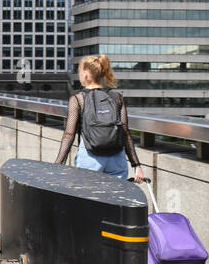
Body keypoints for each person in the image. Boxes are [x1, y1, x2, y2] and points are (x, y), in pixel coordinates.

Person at [54, 54, 146, 183]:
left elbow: (69, 135)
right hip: (117, 159)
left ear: (85, 74)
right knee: (115, 200)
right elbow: (125, 133)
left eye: (79, 71)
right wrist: (137, 165)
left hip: (90, 158)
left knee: (89, 200)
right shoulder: (117, 97)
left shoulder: (78, 99)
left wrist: (57, 165)